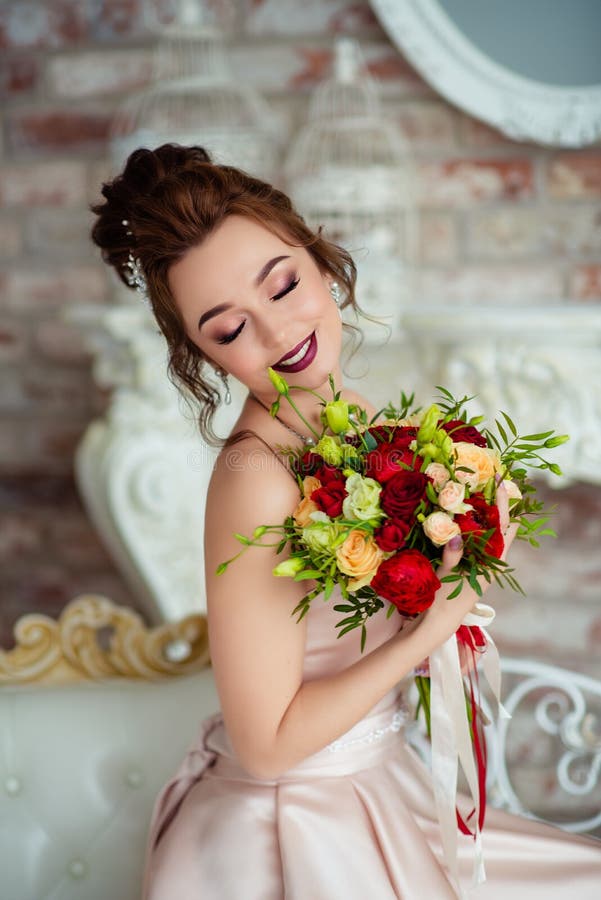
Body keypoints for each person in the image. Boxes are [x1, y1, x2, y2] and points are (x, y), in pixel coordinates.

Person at [91, 144, 600, 900]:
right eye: (228, 331)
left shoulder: (351, 418)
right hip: (294, 826)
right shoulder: (253, 479)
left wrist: (439, 583)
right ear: (199, 356)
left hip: (381, 781)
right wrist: (433, 627)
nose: (274, 332)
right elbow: (264, 748)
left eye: (283, 284)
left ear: (319, 258)